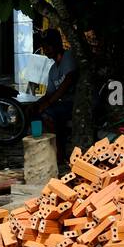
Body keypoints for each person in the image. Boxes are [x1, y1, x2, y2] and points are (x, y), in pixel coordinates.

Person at [33, 29, 77, 164]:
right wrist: (35, 105)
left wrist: (48, 103)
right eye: (43, 46)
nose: (46, 49)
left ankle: (60, 153)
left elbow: (69, 80)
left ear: (57, 44)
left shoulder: (68, 57)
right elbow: (49, 93)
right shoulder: (52, 70)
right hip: (63, 105)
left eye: (49, 45)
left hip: (75, 103)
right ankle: (39, 150)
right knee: (36, 112)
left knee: (48, 112)